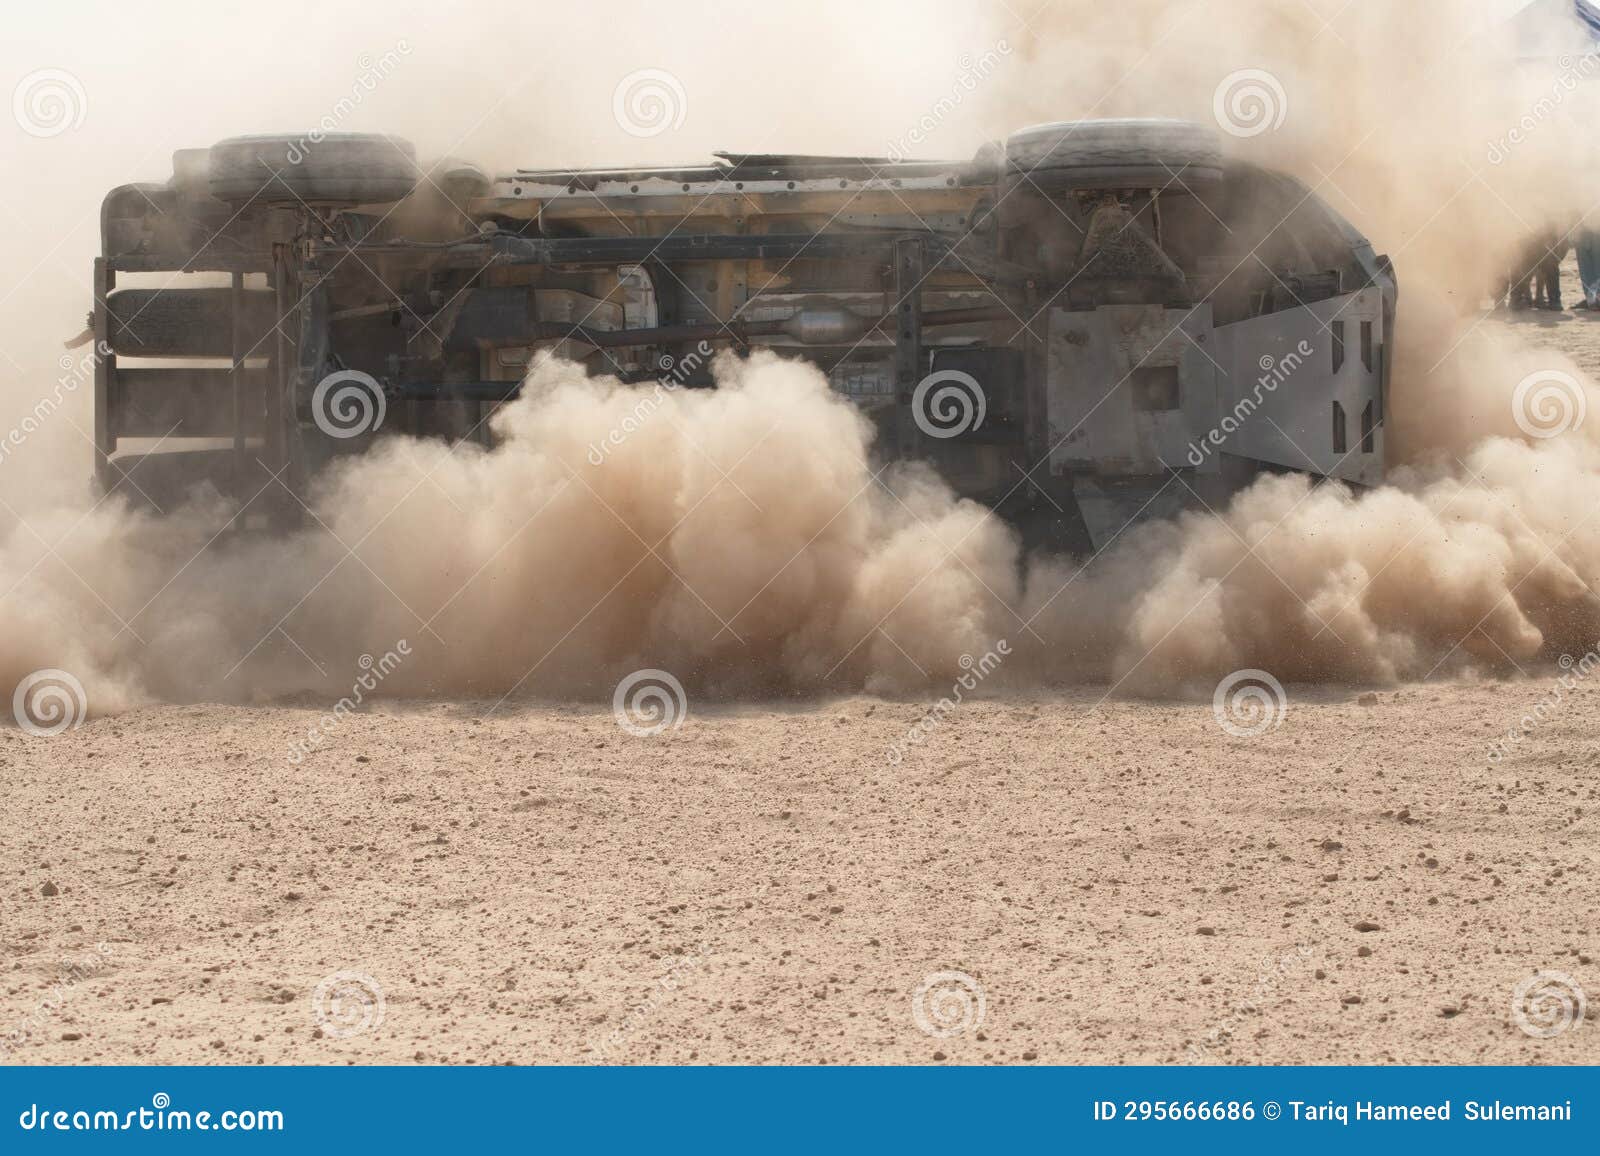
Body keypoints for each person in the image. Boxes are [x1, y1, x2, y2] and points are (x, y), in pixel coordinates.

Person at [1575, 222, 1600, 311]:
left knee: (1595, 267)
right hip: (1581, 227)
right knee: (1585, 268)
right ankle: (1591, 299)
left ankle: (1595, 299)